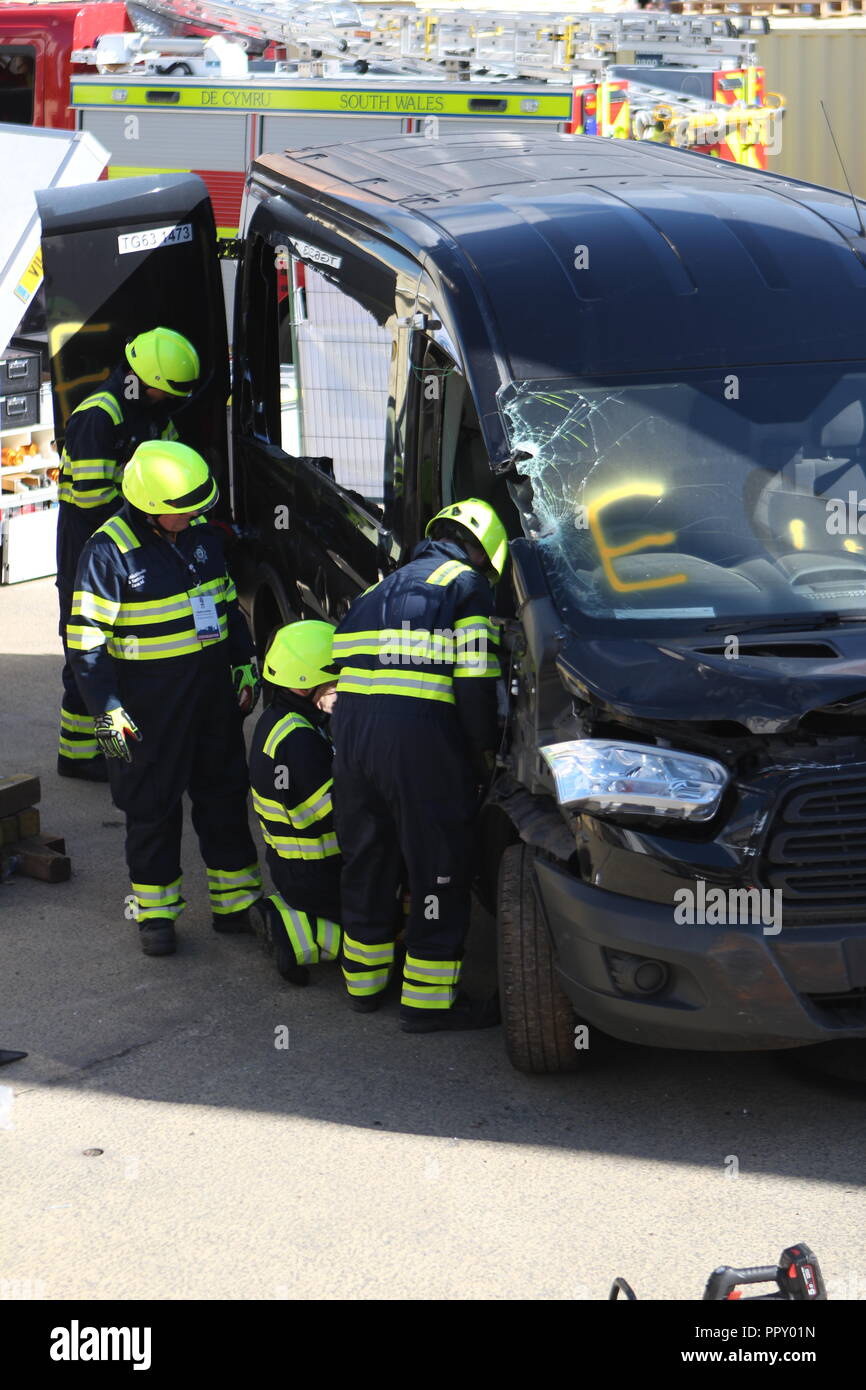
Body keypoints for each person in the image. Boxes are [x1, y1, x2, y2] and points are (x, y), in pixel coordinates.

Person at [67, 438, 262, 956]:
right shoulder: (107, 552)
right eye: (185, 509)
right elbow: (84, 646)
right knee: (150, 808)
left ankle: (237, 903)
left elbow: (225, 602)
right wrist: (107, 718)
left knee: (224, 796)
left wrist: (243, 661)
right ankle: (156, 914)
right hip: (142, 709)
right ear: (149, 506)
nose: (196, 515)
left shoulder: (199, 535)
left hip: (211, 698)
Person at [331, 498, 507, 1032]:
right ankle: (428, 1003)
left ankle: (363, 983)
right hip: (419, 744)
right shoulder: (467, 587)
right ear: (484, 554)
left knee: (368, 856)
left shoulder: (377, 589)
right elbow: (475, 682)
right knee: (438, 865)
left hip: (352, 740)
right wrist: (484, 754)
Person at [56, 327, 200, 781]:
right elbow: (92, 501)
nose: (170, 401)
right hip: (90, 548)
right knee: (89, 653)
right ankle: (86, 754)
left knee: (118, 655)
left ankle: (101, 750)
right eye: (167, 391)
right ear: (147, 379)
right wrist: (148, 525)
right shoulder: (100, 417)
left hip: (129, 542)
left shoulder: (151, 412)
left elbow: (174, 462)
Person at [248, 621, 342, 986]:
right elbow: (337, 813)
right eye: (333, 680)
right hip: (320, 875)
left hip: (292, 867)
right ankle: (292, 931)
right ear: (304, 685)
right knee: (383, 936)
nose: (340, 686)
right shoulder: (299, 742)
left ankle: (286, 912)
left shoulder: (278, 720)